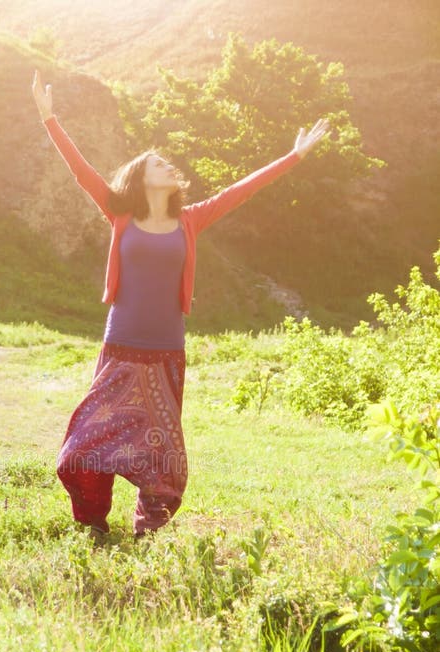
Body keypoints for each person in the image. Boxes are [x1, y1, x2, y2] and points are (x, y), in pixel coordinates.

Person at [32, 69, 329, 540]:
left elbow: (242, 190)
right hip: (121, 347)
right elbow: (81, 171)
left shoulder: (190, 220)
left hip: (166, 350)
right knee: (83, 446)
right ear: (140, 177)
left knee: (162, 453)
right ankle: (93, 521)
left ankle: (148, 528)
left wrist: (293, 156)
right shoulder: (120, 213)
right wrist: (50, 120)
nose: (169, 168)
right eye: (159, 164)